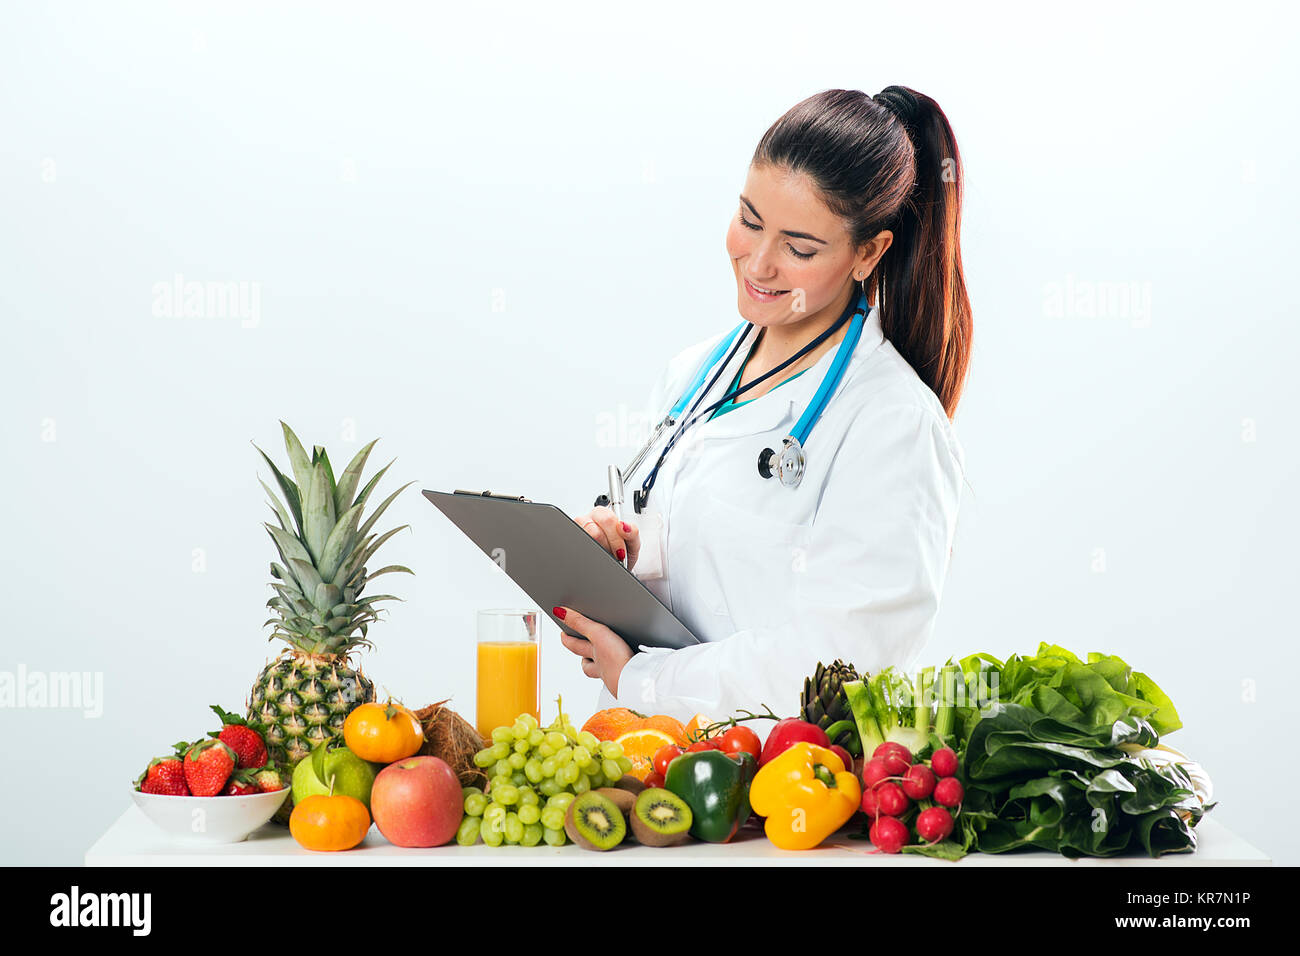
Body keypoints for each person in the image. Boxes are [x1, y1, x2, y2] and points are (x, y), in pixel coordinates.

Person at [555, 86, 973, 724]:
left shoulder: (894, 424)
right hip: (654, 774)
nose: (758, 262)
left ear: (870, 253)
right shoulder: (692, 375)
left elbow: (844, 661)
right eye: (750, 220)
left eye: (800, 249)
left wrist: (645, 679)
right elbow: (713, 569)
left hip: (783, 797)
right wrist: (619, 552)